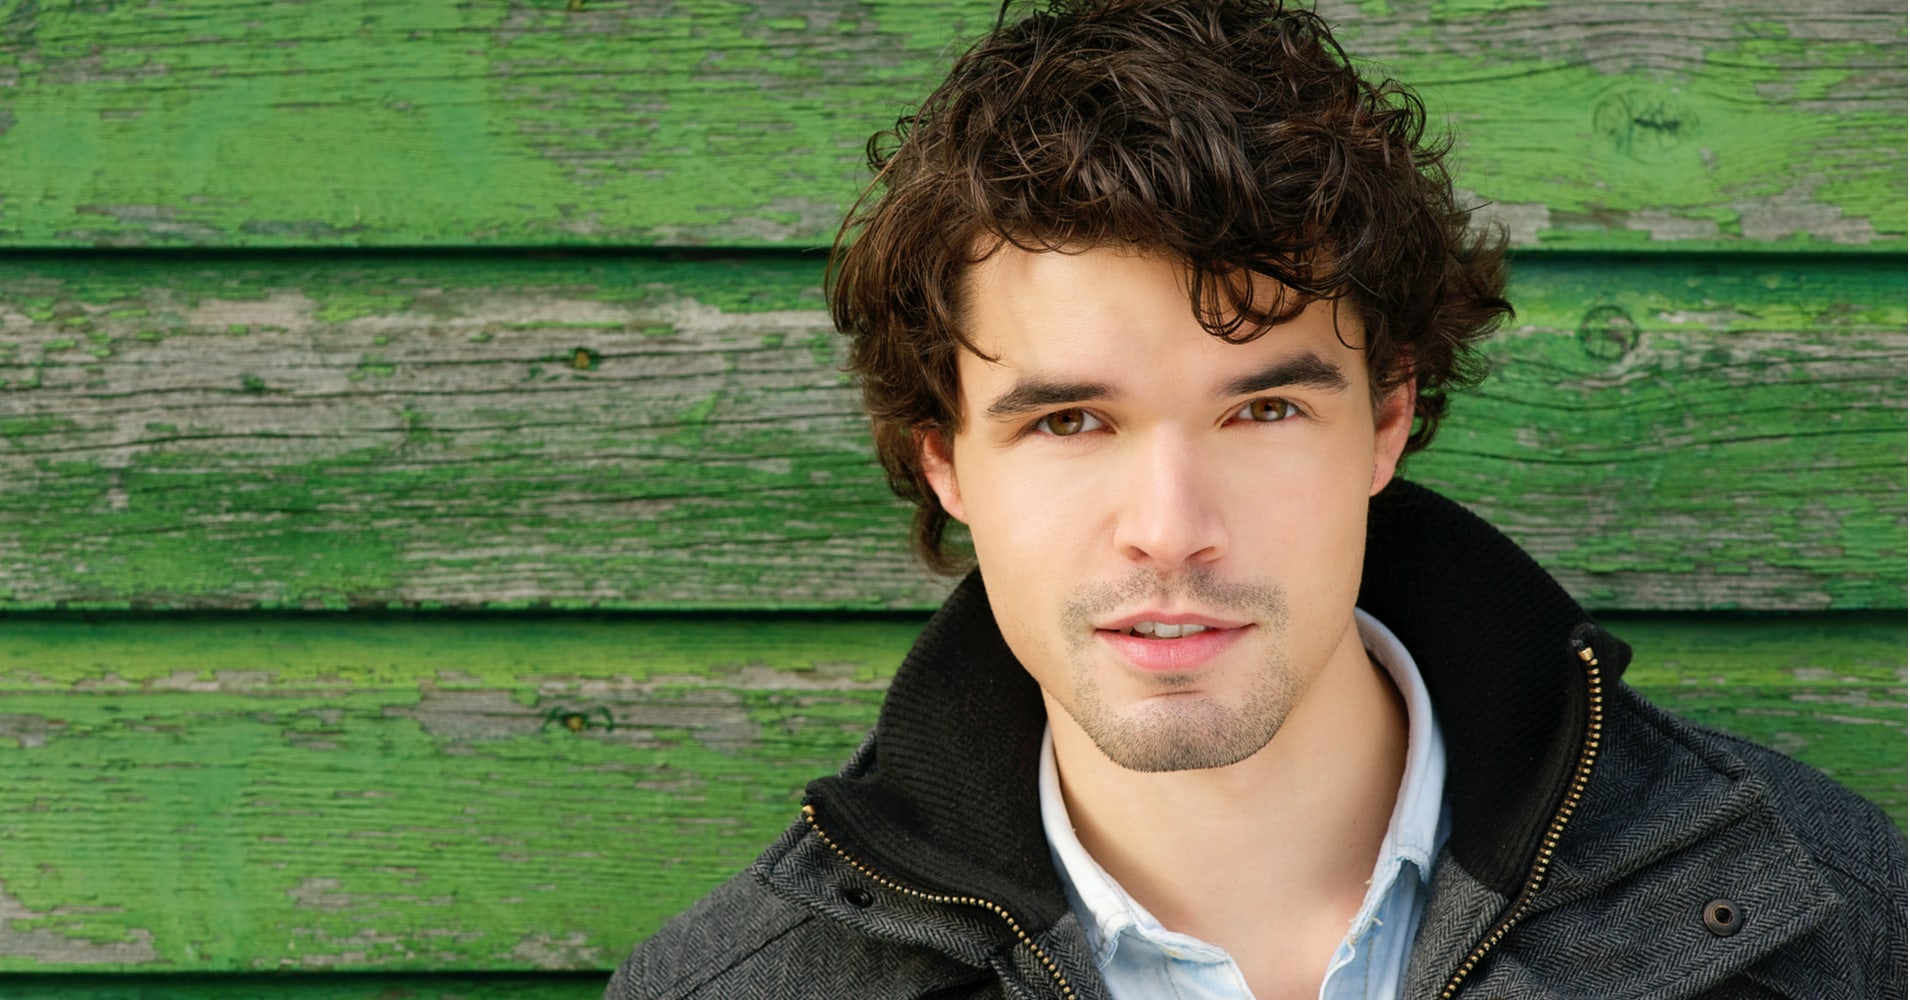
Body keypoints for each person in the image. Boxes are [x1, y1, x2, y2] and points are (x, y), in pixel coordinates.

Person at [605, 1, 1906, 997]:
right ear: (945, 460)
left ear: (1384, 422)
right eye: (1069, 422)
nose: (1171, 528)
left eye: (1263, 410)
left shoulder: (1839, 916)